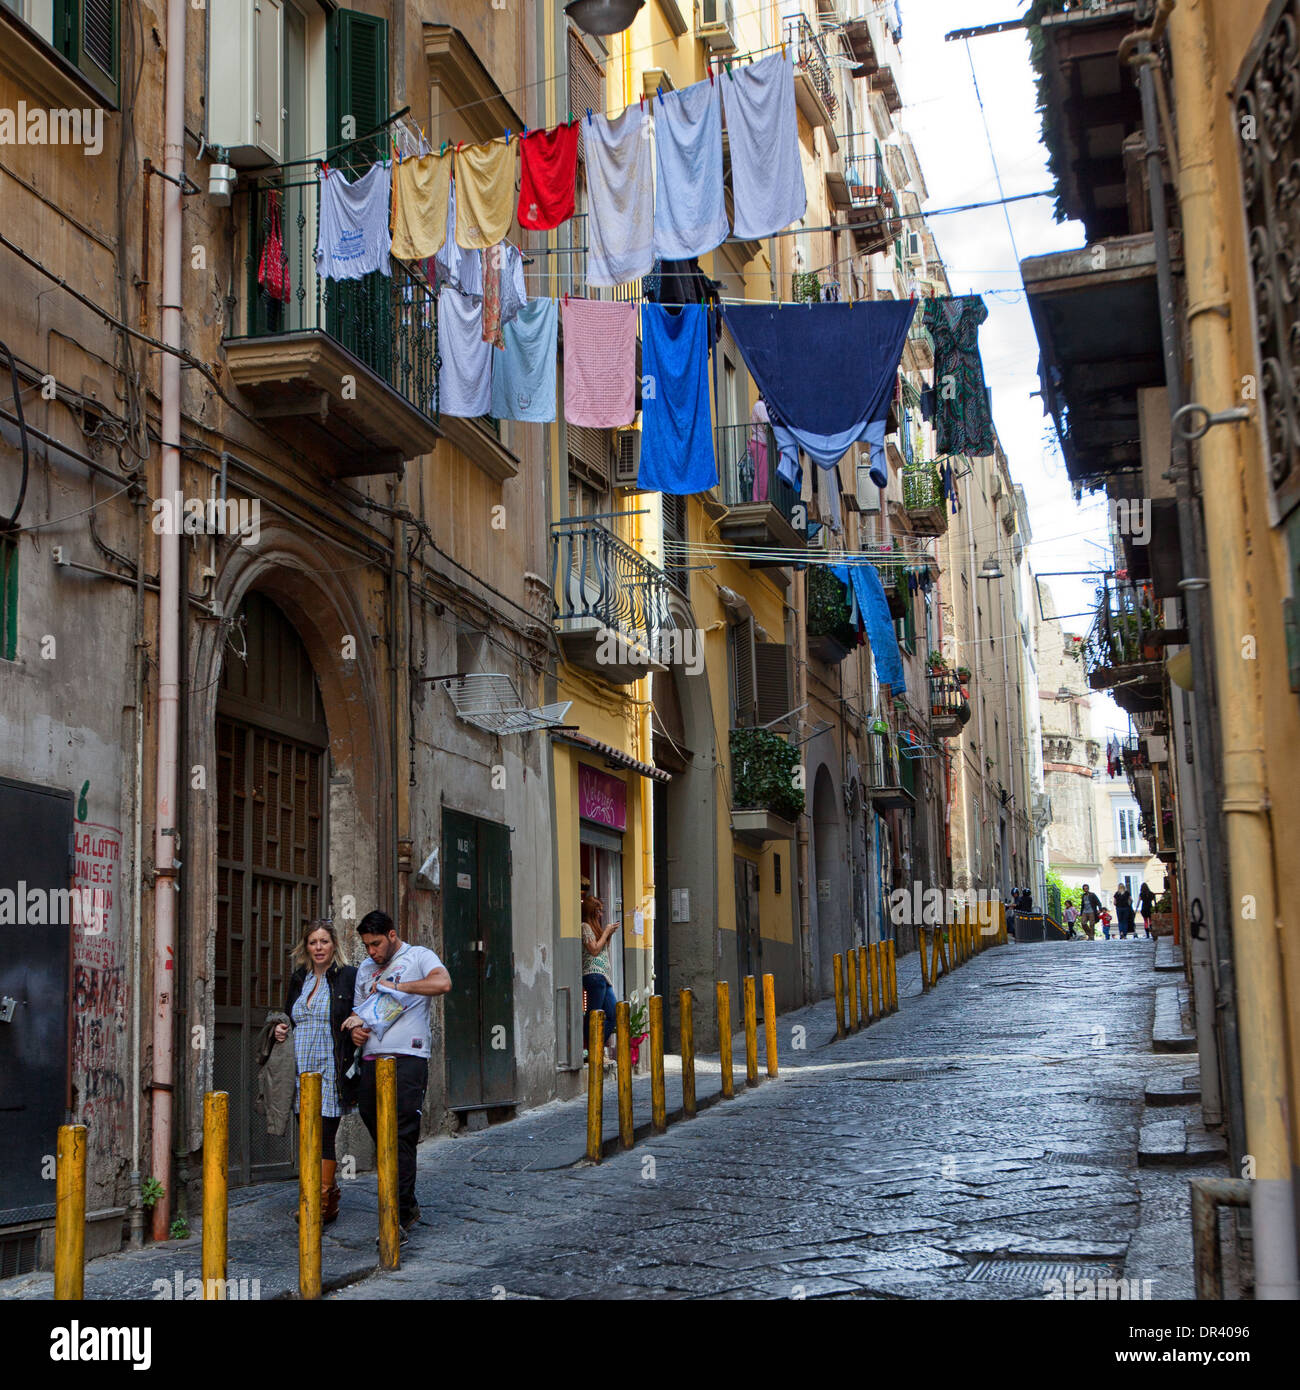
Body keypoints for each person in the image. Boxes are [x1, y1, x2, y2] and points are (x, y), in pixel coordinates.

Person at [343, 910, 451, 1240]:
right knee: (374, 1120)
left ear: (392, 935)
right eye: (366, 946)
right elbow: (358, 1013)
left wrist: (399, 984)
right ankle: (404, 1199)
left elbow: (443, 983)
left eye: (376, 944)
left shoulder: (418, 956)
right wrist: (356, 1033)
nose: (372, 952)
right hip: (373, 1059)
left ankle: (400, 1215)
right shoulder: (364, 969)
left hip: (408, 1057)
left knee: (402, 1131)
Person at [274, 920, 358, 1224]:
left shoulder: (348, 976)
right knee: (306, 1134)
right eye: (313, 942)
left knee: (323, 1134)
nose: (319, 948)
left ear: (334, 944)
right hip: (300, 1063)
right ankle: (325, 1198)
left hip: (330, 1063)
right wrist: (282, 1029)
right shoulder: (300, 977)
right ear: (306, 947)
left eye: (324, 941)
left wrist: (358, 1020)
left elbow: (362, 1007)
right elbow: (289, 1016)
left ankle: (319, 1203)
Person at [582, 894, 620, 1062]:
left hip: (604, 976)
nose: (601, 914)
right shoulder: (584, 927)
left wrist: (608, 935)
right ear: (592, 911)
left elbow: (603, 950)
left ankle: (596, 1048)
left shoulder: (596, 928)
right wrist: (606, 932)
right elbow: (594, 950)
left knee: (613, 1014)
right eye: (599, 911)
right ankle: (592, 1051)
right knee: (594, 1014)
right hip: (594, 975)